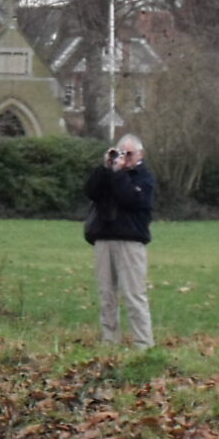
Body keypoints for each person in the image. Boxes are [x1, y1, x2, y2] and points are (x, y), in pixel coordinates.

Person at [83, 133, 156, 349]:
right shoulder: (110, 175)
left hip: (131, 241)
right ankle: (109, 342)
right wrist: (105, 169)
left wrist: (118, 174)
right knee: (107, 295)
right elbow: (90, 191)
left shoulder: (144, 178)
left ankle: (143, 344)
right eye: (120, 153)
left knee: (134, 295)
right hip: (104, 238)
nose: (125, 158)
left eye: (129, 154)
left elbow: (130, 198)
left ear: (140, 154)